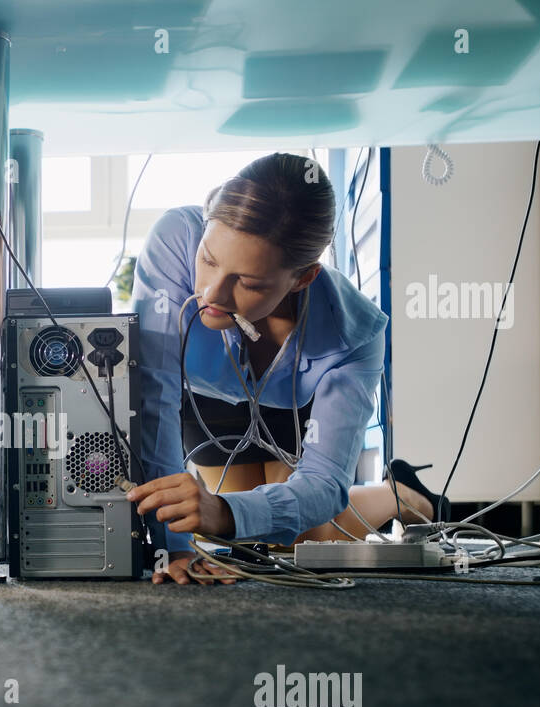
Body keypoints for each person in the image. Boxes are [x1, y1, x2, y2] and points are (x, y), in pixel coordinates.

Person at [125, 152, 448, 585]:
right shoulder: (176, 238)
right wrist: (175, 547)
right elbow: (152, 396)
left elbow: (322, 483)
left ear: (303, 278)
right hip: (209, 406)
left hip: (297, 416)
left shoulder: (356, 334)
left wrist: (224, 510)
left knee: (301, 537)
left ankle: (403, 495)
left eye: (250, 283)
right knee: (235, 539)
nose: (211, 293)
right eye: (209, 260)